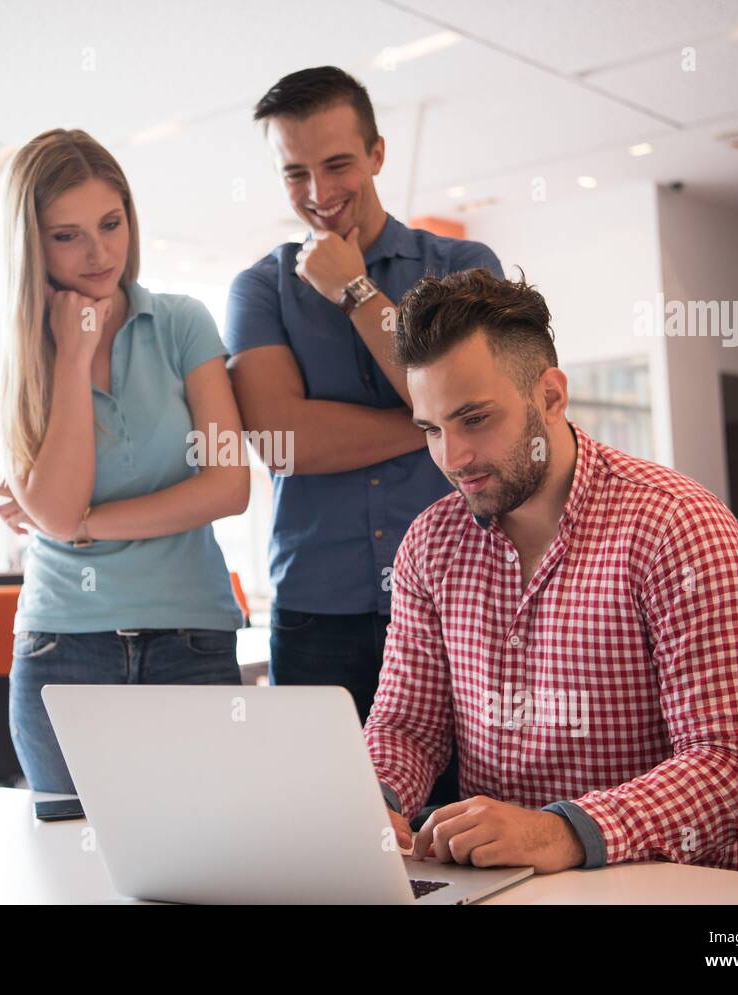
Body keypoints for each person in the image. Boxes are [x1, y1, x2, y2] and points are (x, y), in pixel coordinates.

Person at [367, 266, 738, 873]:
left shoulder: (676, 525)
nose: (452, 459)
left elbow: (736, 764)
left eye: (474, 419)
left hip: (664, 882)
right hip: (498, 881)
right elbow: (408, 726)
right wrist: (374, 801)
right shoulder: (431, 543)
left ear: (551, 396)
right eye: (432, 429)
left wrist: (562, 832)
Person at [223, 66, 503, 746]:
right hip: (316, 612)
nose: (318, 193)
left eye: (338, 163)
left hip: (462, 597)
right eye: (295, 173)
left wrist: (354, 290)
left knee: (464, 823)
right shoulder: (259, 290)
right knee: (319, 829)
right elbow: (287, 443)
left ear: (377, 154)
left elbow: (482, 410)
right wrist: (434, 421)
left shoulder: (463, 265)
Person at [0, 128, 248, 794]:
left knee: (207, 863)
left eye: (111, 223)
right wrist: (70, 352)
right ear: (30, 243)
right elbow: (58, 512)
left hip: (192, 637)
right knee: (74, 878)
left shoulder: (183, 323)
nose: (100, 253)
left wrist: (86, 523)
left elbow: (228, 485)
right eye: (67, 235)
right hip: (62, 647)